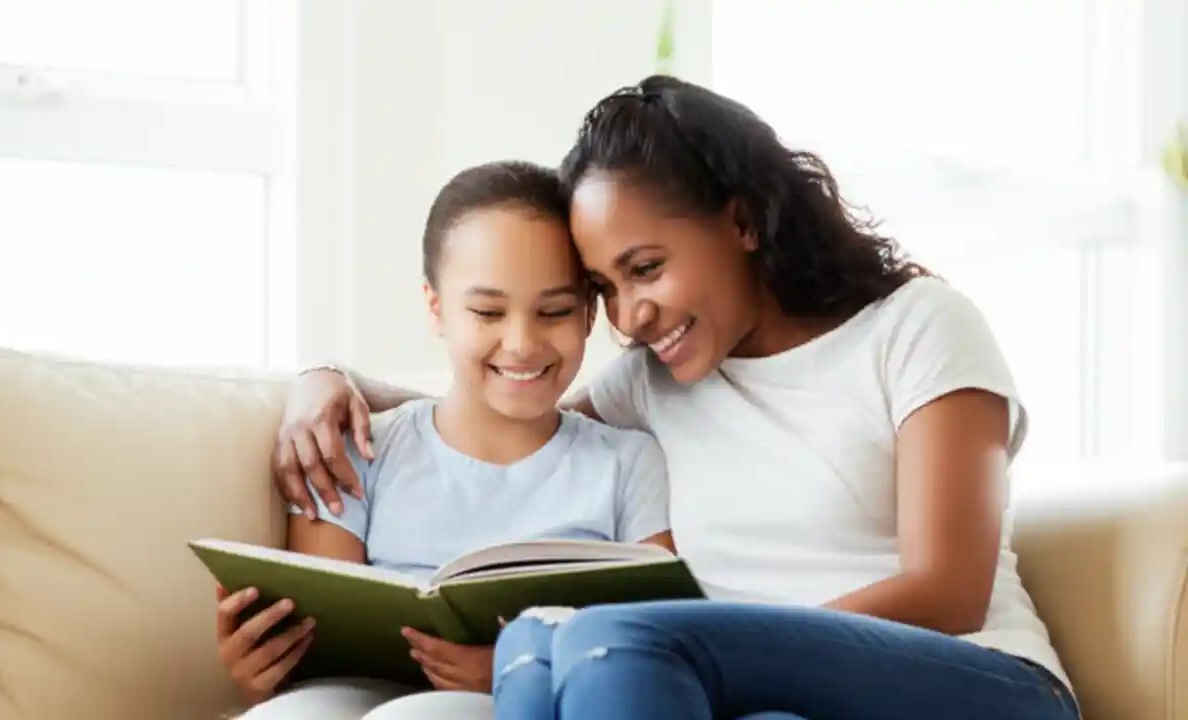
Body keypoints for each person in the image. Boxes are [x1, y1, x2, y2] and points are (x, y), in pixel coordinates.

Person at [275, 76, 1081, 720]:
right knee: (532, 651)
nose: (630, 316)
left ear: (742, 223)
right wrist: (328, 381)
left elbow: (950, 590)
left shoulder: (918, 327)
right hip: (746, 687)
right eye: (605, 289)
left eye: (646, 268)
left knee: (603, 639)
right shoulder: (660, 379)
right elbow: (509, 395)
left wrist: (714, 648)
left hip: (976, 683)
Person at [222, 160, 674, 720]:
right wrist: (262, 679)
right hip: (357, 691)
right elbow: (319, 646)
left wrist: (523, 664)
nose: (521, 343)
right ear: (436, 307)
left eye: (554, 311)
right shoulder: (359, 449)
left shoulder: (627, 463)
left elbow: (657, 644)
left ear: (587, 312)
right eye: (487, 311)